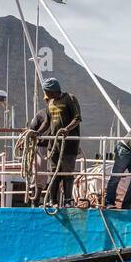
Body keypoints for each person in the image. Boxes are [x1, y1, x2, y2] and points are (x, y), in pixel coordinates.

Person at [42, 77, 81, 207]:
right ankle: (53, 201)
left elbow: (77, 118)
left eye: (46, 91)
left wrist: (67, 129)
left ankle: (68, 201)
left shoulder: (70, 98)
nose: (45, 93)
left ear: (52, 90)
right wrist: (38, 133)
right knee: (53, 173)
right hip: (53, 145)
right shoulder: (50, 103)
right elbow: (47, 122)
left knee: (67, 173)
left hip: (68, 145)